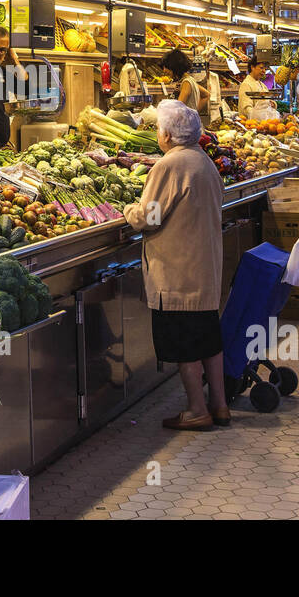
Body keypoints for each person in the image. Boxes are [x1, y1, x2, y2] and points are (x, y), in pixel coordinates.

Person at [123, 100, 228, 431]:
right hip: (204, 271)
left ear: (167, 135)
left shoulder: (169, 166)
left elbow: (149, 218)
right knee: (210, 342)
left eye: (158, 130)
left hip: (178, 276)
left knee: (186, 347)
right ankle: (220, 405)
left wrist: (128, 211)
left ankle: (197, 410)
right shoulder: (204, 162)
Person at [162, 48, 209, 119]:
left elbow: (178, 109)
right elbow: (206, 95)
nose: (164, 70)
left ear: (174, 67)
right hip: (188, 125)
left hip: (184, 127)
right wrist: (193, 112)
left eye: (166, 67)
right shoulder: (189, 80)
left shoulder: (186, 83)